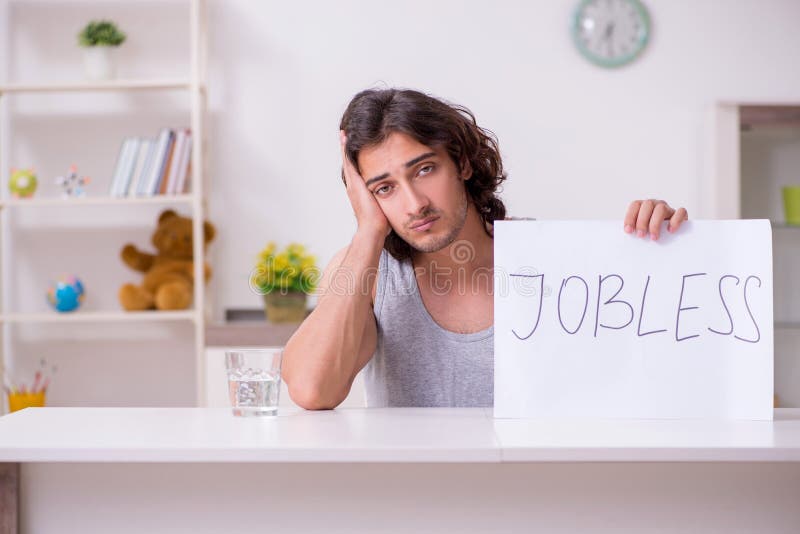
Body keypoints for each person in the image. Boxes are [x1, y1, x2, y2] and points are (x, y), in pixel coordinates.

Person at [281, 88, 688, 410]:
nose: (414, 203)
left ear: (461, 163)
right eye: (384, 188)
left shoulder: (552, 255)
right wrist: (369, 231)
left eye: (424, 170)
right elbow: (312, 390)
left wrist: (659, 246)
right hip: (413, 503)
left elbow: (647, 371)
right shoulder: (368, 272)